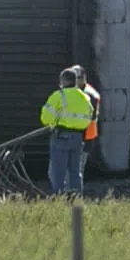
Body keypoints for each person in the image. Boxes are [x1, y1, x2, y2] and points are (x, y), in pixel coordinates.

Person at [40, 67, 94, 195]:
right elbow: (89, 117)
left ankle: (59, 196)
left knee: (58, 170)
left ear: (63, 81)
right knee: (75, 170)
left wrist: (53, 124)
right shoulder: (85, 97)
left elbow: (46, 117)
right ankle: (76, 196)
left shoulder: (58, 96)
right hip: (78, 138)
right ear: (75, 81)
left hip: (61, 136)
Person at [70, 64, 101, 174]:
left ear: (83, 78)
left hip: (85, 137)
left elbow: (89, 117)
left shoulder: (89, 95)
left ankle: (75, 186)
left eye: (76, 78)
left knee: (77, 169)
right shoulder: (76, 92)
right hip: (77, 135)